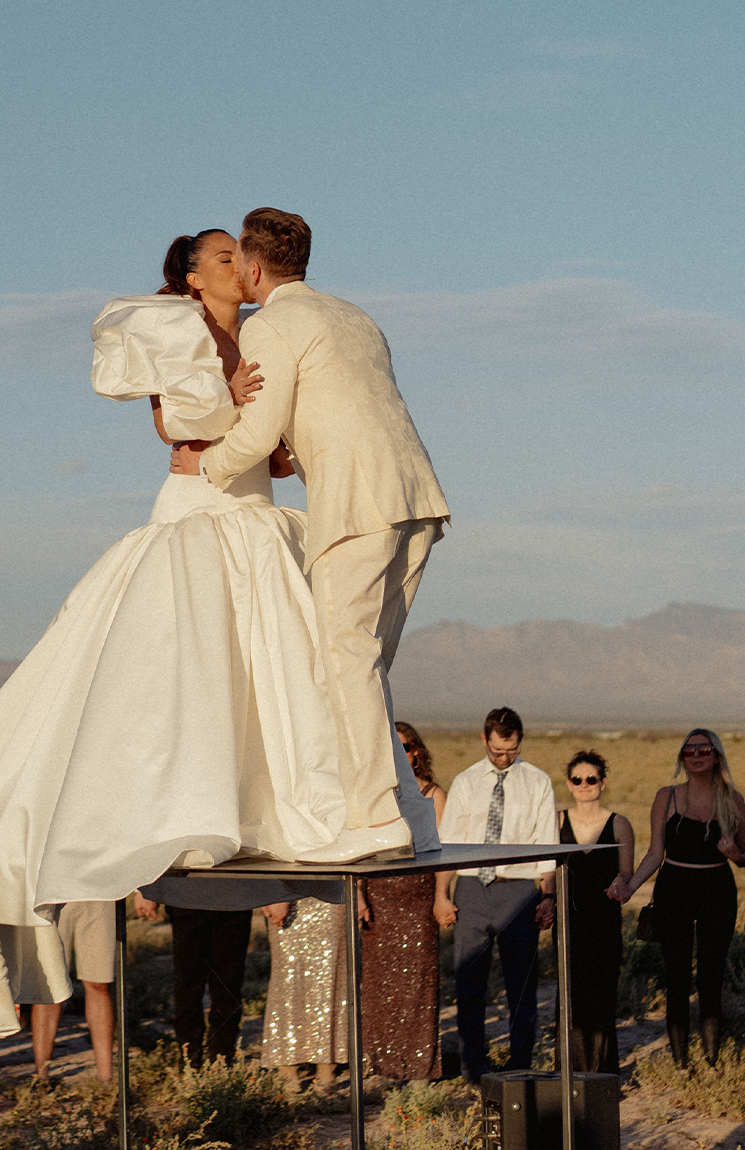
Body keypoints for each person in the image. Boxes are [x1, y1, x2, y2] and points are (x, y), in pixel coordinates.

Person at [0, 228, 348, 1037]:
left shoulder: (261, 334)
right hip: (199, 513)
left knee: (275, 672)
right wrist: (234, 401)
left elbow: (271, 443)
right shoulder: (174, 328)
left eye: (238, 256)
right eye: (222, 257)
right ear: (192, 275)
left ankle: (272, 815)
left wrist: (275, 442)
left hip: (256, 511)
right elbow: (174, 426)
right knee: (183, 671)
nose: (237, 266)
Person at [171, 207, 451, 864]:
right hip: (415, 498)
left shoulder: (271, 325)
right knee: (365, 665)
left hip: (356, 504)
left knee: (346, 660)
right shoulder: (355, 317)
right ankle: (405, 818)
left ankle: (375, 818)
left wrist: (206, 464)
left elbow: (260, 431)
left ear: (254, 266)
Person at [433, 707, 558, 1083]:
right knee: (469, 983)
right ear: (484, 739)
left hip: (518, 892)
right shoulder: (465, 782)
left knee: (521, 985)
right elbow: (449, 844)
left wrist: (548, 897)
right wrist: (441, 893)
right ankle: (474, 1067)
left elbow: (547, 844)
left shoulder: (538, 782)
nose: (504, 757)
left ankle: (519, 1064)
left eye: (512, 750)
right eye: (497, 750)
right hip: (472, 890)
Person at [617, 729, 745, 1069]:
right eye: (689, 750)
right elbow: (655, 853)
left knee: (711, 975)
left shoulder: (733, 800)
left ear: (717, 756)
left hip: (717, 889)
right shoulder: (667, 797)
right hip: (674, 888)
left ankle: (711, 1061)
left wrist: (735, 853)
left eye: (704, 749)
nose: (696, 755)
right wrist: (630, 886)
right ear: (682, 758)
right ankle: (680, 1063)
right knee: (676, 975)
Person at [358, 723, 446, 1082]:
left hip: (418, 897)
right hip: (379, 897)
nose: (401, 754)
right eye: (393, 747)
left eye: (406, 747)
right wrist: (359, 893)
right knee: (379, 985)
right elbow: (362, 850)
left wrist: (441, 896)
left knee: (419, 984)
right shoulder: (371, 795)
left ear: (417, 751)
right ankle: (381, 1064)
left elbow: (442, 851)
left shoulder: (433, 794)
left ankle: (420, 1066)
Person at [558, 750, 633, 1074]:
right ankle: (569, 1075)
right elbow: (548, 872)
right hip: (568, 921)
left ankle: (601, 1077)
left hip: (604, 921)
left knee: (602, 995)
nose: (584, 784)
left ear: (603, 782)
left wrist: (621, 882)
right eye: (577, 779)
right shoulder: (557, 821)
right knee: (569, 996)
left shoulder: (619, 824)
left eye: (591, 778)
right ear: (569, 784)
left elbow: (627, 872)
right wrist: (546, 899)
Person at [134, 889, 251, 1068]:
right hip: (186, 895)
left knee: (228, 983)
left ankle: (222, 1061)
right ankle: (190, 1062)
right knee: (187, 984)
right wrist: (145, 888)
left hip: (235, 895)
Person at [260, 897, 348, 1093]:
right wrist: (274, 894)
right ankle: (287, 1067)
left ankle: (327, 1064)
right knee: (287, 977)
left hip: (330, 894)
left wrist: (357, 890)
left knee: (329, 974)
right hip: (285, 892)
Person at [31, 901, 115, 1081]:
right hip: (54, 896)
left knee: (99, 983)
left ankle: (106, 1079)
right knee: (49, 986)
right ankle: (41, 1079)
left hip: (99, 894)